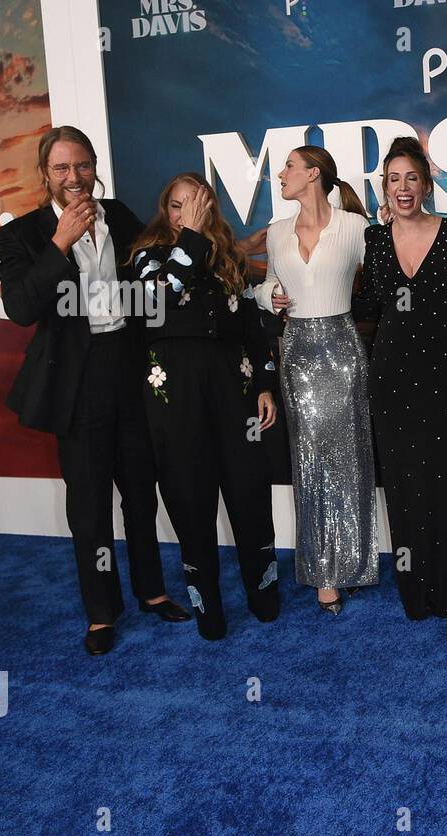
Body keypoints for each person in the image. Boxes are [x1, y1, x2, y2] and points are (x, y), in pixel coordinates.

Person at [0, 126, 189, 656]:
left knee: (140, 494)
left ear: (94, 166)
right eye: (62, 169)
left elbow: (160, 269)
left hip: (127, 370)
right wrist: (60, 240)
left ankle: (152, 591)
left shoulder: (121, 215)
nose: (74, 178)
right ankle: (102, 613)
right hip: (75, 382)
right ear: (46, 175)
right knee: (88, 505)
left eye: (81, 166)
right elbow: (21, 308)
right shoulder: (22, 236)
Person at [129, 173, 281, 640]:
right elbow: (157, 297)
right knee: (191, 504)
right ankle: (207, 609)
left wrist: (264, 383)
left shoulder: (226, 258)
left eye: (195, 206)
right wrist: (192, 236)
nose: (185, 215)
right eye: (177, 206)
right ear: (165, 209)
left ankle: (263, 595)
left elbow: (253, 328)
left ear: (211, 208)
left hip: (233, 396)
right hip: (174, 400)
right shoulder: (145, 257)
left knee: (250, 497)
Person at [354, 136, 447, 619]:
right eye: (393, 180)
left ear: (427, 184)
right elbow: (369, 306)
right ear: (384, 188)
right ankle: (417, 588)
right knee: (406, 482)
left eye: (411, 178)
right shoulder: (374, 239)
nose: (403, 188)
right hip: (392, 375)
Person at [253, 146, 379, 612]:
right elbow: (265, 286)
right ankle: (323, 570)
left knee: (348, 456)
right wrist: (269, 295)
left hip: (343, 348)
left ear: (313, 174)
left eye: (288, 167)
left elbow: (385, 280)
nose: (281, 174)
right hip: (298, 352)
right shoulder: (277, 231)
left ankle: (355, 562)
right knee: (310, 460)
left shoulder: (354, 227)